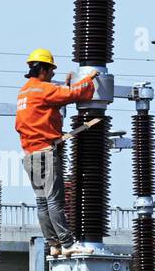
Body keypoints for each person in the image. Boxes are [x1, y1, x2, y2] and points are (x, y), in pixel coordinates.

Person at [15, 47, 96, 256]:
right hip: (46, 154)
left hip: (29, 155)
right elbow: (73, 94)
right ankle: (68, 244)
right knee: (54, 201)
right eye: (51, 70)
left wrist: (67, 85)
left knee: (42, 201)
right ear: (42, 69)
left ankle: (54, 245)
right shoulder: (43, 89)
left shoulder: (25, 91)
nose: (52, 74)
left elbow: (54, 99)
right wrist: (89, 78)